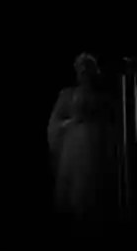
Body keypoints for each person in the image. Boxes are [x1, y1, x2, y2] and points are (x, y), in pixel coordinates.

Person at [47, 53, 115, 222]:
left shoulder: (103, 97)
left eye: (88, 70)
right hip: (75, 147)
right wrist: (72, 122)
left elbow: (112, 120)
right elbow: (55, 123)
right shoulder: (68, 95)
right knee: (77, 189)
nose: (85, 74)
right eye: (82, 70)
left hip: (98, 144)